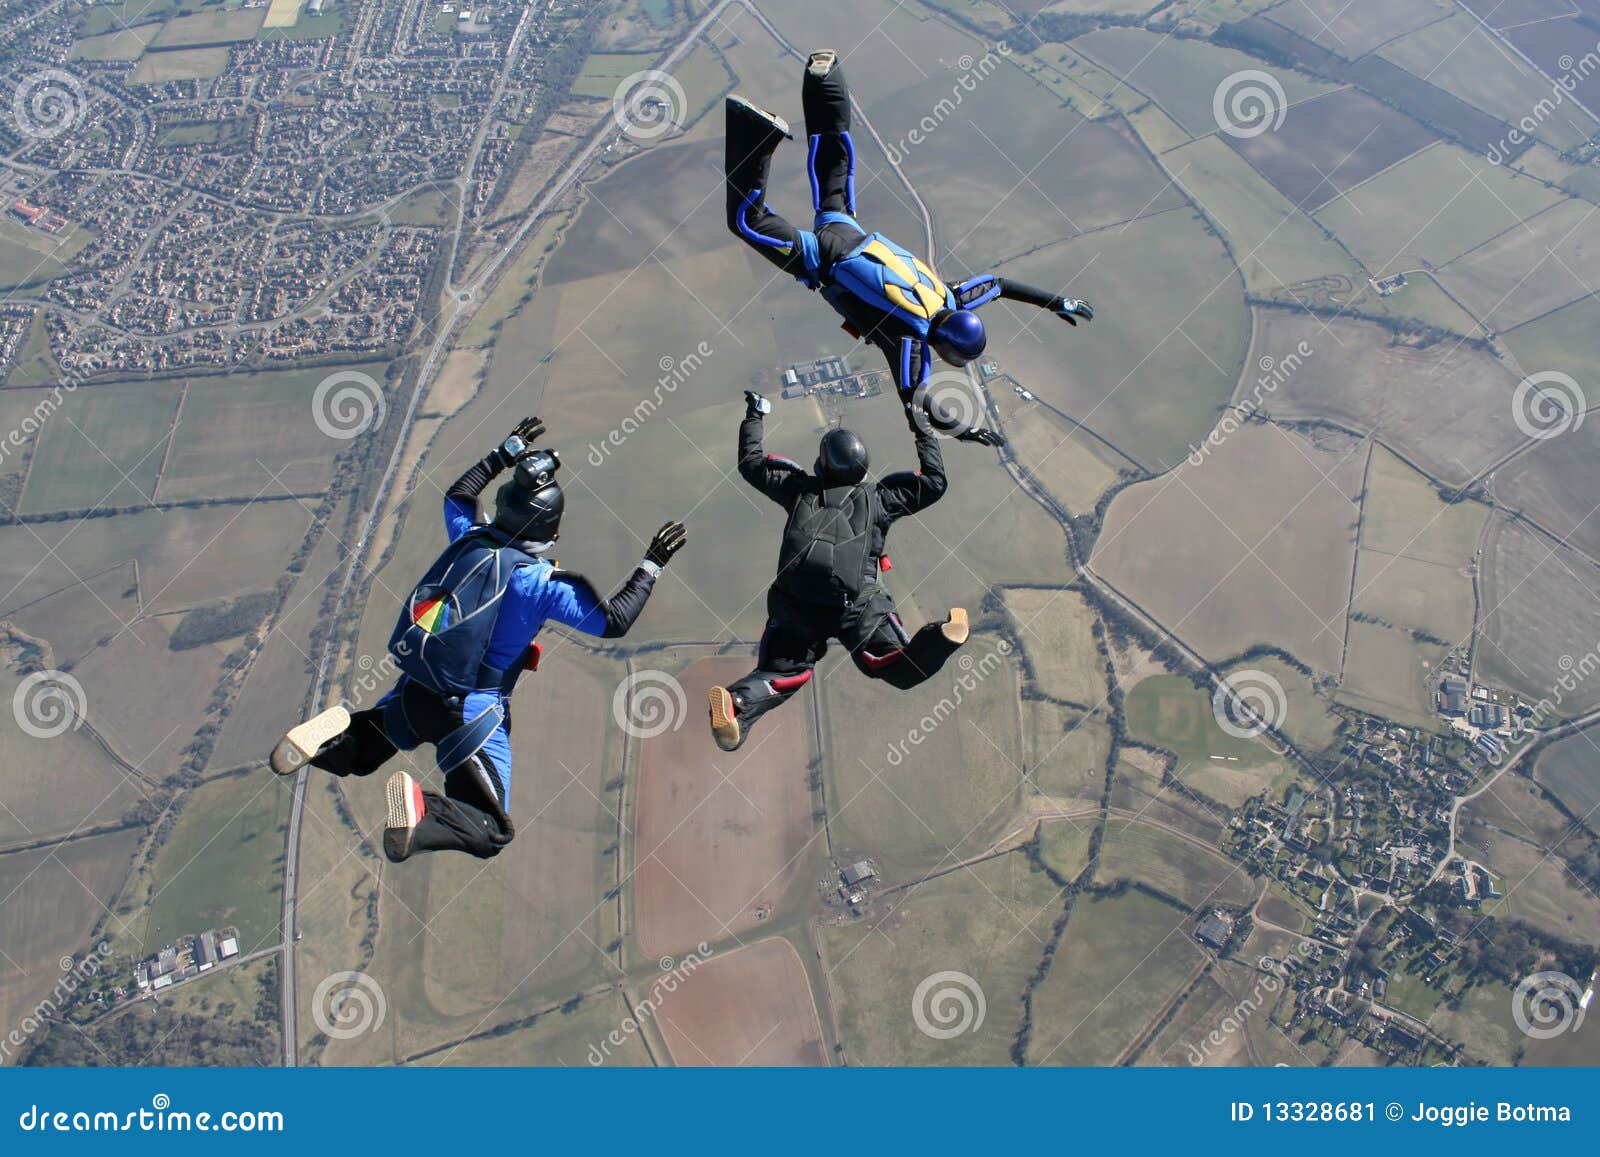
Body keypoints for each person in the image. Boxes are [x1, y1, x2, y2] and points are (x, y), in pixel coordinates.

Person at [270, 418, 688, 862]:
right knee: (489, 830)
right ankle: (422, 816)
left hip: (415, 691)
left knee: (365, 751)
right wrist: (652, 565)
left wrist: (502, 454)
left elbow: (458, 495)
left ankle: (325, 744)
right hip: (469, 712)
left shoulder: (469, 539)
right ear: (550, 530)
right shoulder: (540, 584)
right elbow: (613, 621)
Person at [724, 50, 1094, 447]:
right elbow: (917, 399)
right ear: (947, 347)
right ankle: (754, 133)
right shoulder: (910, 341)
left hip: (850, 231)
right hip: (822, 259)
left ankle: (825, 80)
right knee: (747, 221)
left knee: (834, 167)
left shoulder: (951, 297)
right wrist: (964, 431)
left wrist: (1058, 301)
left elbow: (1002, 286)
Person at [707, 390, 969, 752]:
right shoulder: (879, 499)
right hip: (857, 607)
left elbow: (751, 463)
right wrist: (921, 428)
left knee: (782, 672)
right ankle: (939, 636)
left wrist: (755, 413)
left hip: (797, 607)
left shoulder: (798, 489)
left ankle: (737, 707)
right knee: (891, 666)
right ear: (864, 467)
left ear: (821, 464)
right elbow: (935, 483)